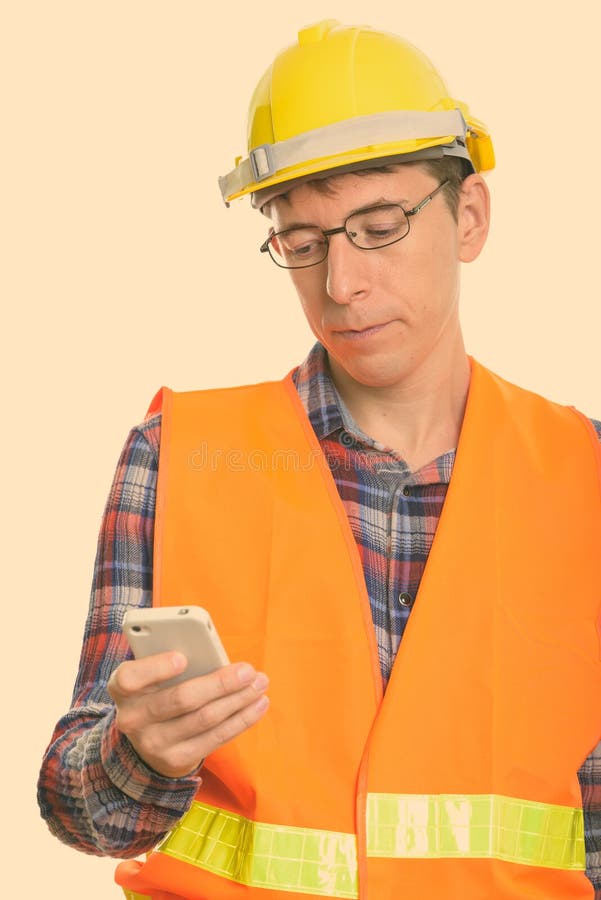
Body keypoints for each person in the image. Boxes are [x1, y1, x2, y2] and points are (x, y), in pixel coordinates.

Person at [38, 18, 601, 900]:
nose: (339, 284)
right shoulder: (177, 457)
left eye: (377, 227)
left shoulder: (584, 477)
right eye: (301, 242)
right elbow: (79, 808)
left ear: (471, 217)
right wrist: (137, 754)